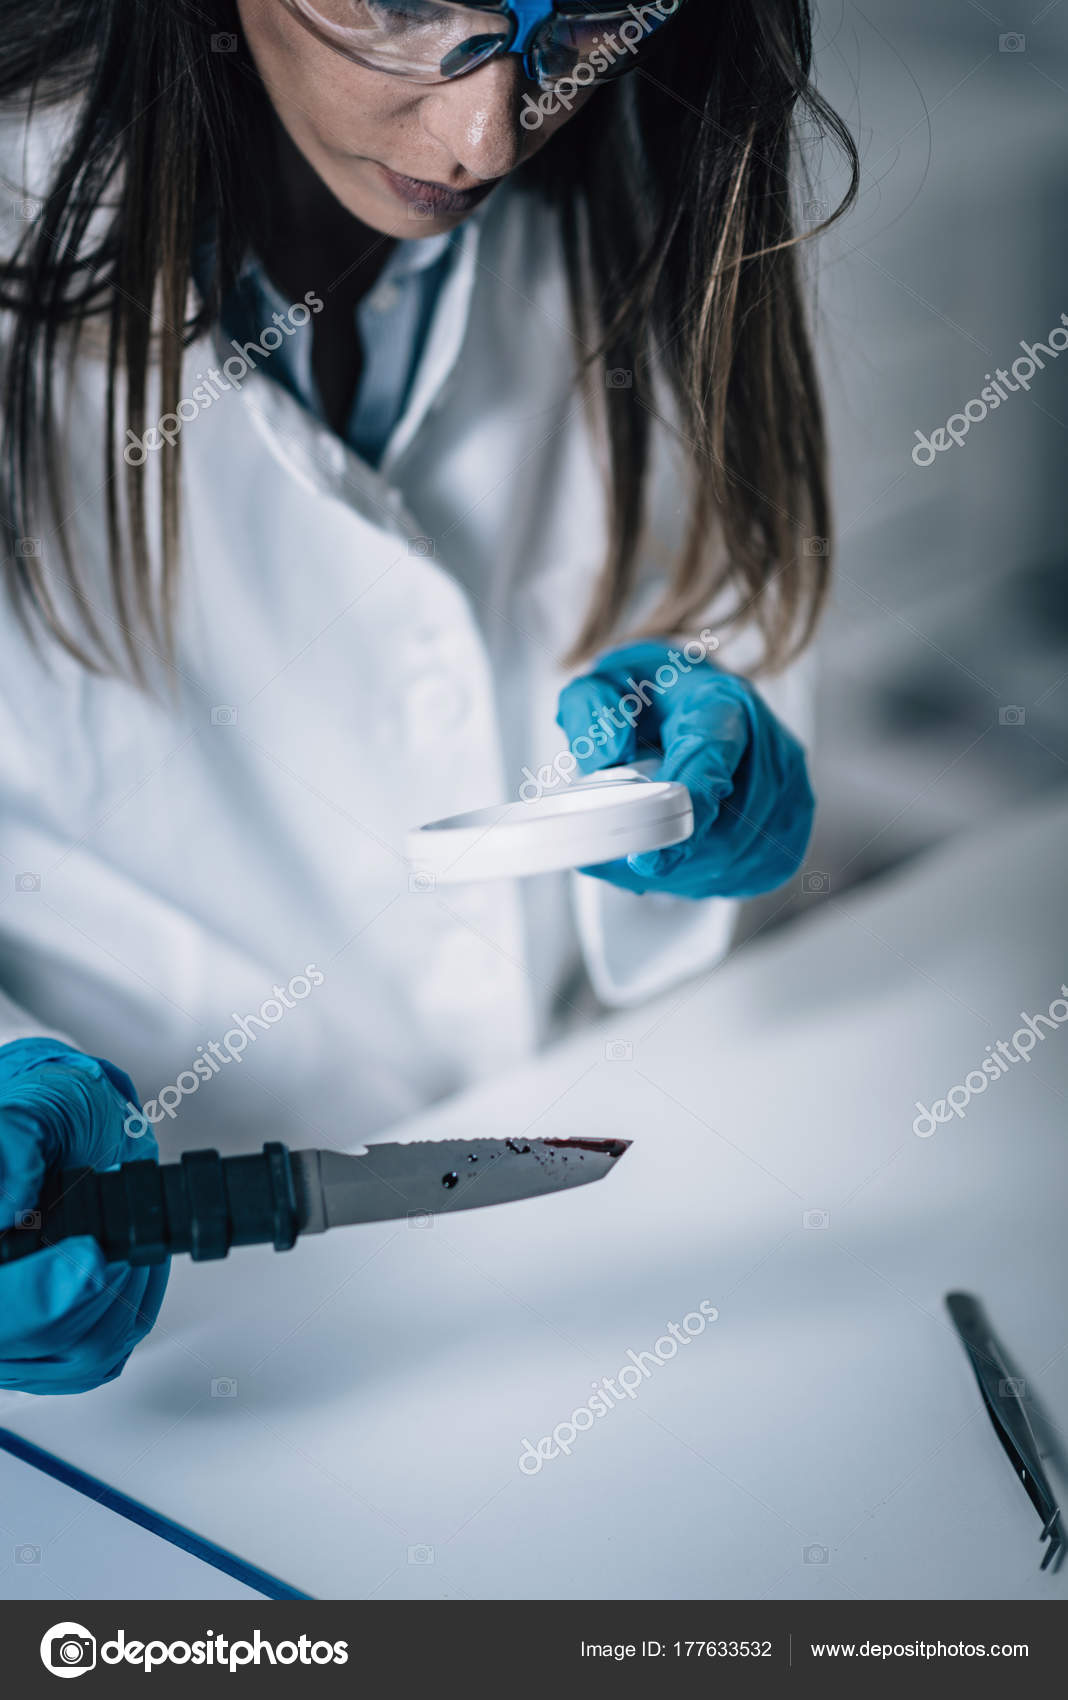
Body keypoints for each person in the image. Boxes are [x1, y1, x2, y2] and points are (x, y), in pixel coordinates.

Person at [0, 1, 856, 1394]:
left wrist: (703, 726)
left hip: (577, 1206)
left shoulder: (642, 154)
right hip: (174, 1333)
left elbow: (711, 587)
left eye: (575, 22)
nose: (483, 136)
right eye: (405, 11)